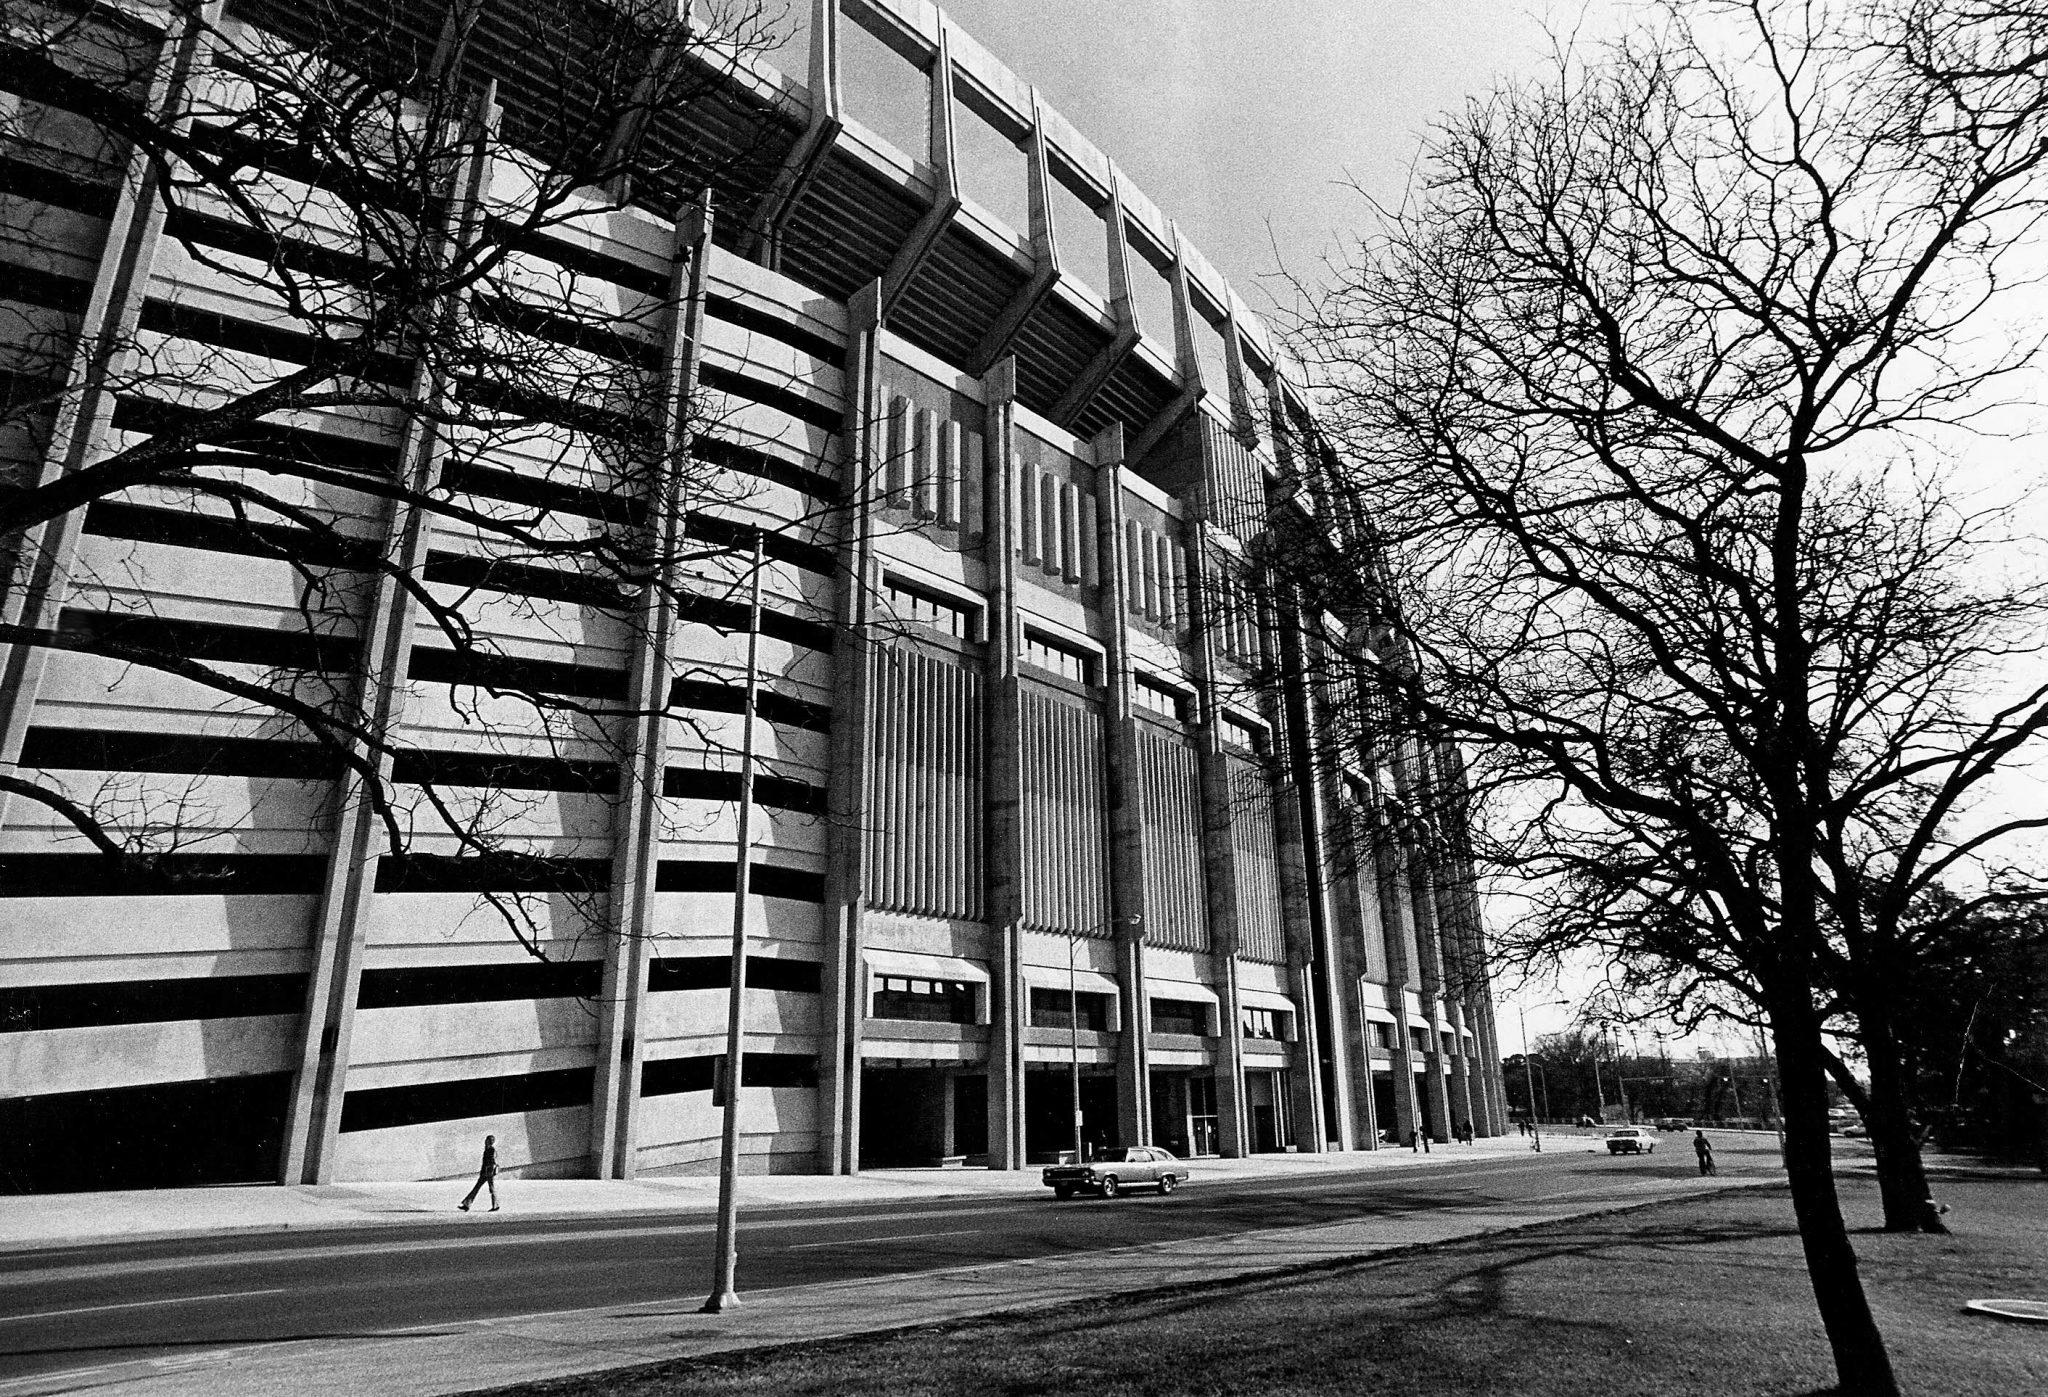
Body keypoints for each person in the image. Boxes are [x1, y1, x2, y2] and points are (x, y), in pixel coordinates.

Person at [459, 1134, 500, 1211]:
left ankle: (496, 1206)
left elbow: (492, 1162)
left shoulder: (492, 1150)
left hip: (489, 1173)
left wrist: (489, 1170)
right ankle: (467, 1204)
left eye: (487, 1140)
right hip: (485, 1173)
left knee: (491, 1188)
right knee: (476, 1188)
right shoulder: (487, 1149)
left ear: (489, 1141)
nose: (485, 1141)